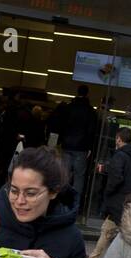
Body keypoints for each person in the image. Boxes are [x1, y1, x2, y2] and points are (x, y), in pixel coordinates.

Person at [88, 127, 131, 258]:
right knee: (111, 229)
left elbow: (116, 178)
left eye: (116, 138)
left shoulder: (119, 155)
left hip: (118, 199)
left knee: (111, 230)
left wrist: (108, 192)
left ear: (119, 139)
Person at [55, 85, 97, 214]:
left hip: (67, 145)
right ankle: (75, 206)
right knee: (79, 177)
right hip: (82, 147)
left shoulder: (68, 108)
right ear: (87, 94)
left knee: (65, 175)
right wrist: (89, 147)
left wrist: (61, 141)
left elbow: (61, 126)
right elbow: (91, 131)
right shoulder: (90, 111)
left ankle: (62, 203)